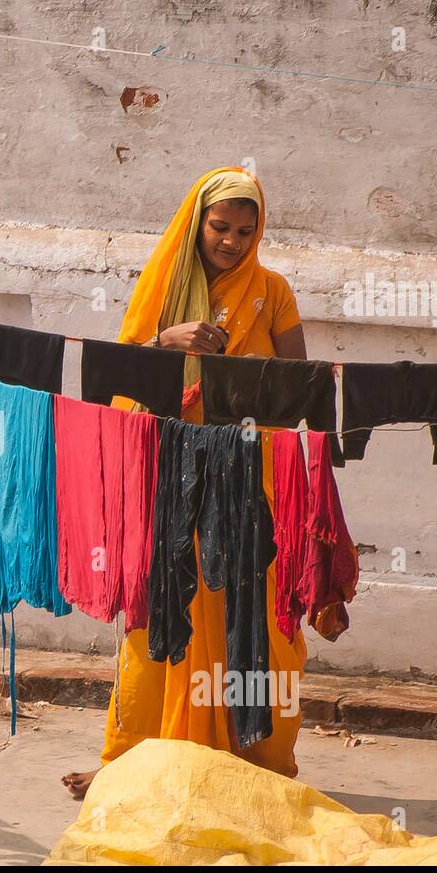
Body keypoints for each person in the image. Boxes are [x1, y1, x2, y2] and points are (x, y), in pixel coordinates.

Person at [62, 167, 309, 798]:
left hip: (248, 481)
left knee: (254, 620)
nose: (231, 241)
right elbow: (116, 376)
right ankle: (128, 764)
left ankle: (253, 765)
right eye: (220, 227)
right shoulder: (162, 291)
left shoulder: (273, 291)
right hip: (168, 475)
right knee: (158, 622)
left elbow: (299, 386)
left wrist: (255, 373)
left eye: (245, 231)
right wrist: (166, 341)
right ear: (197, 222)